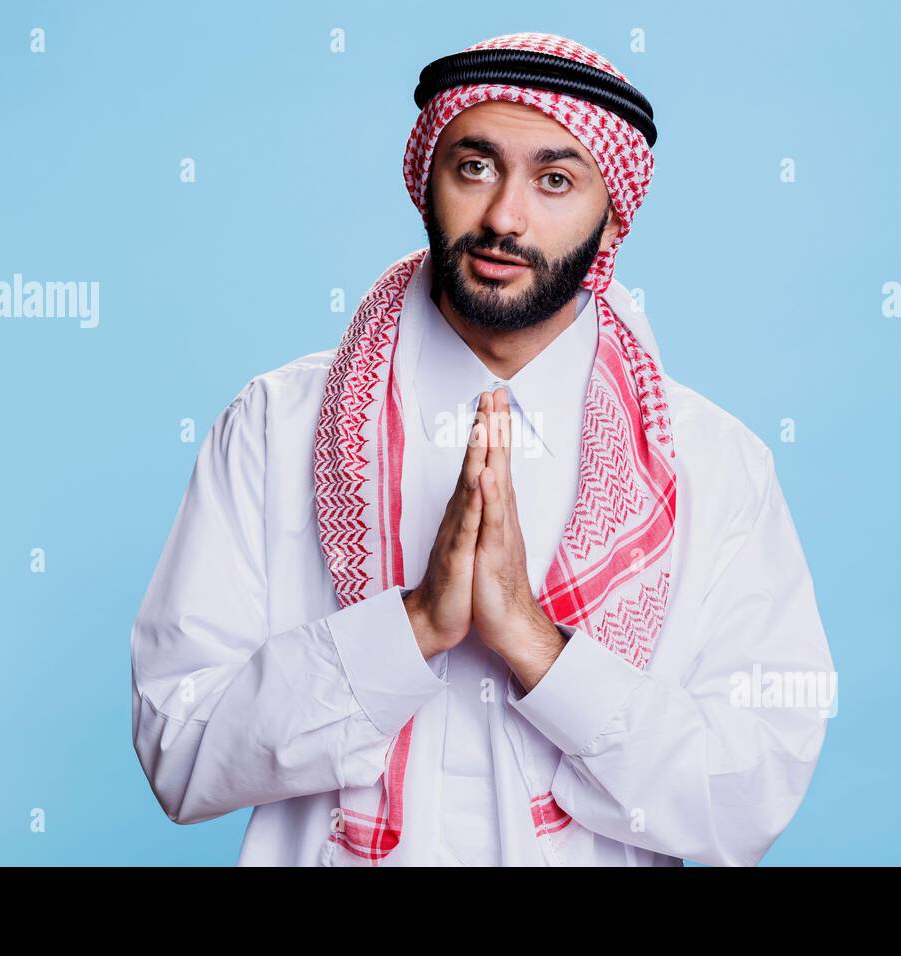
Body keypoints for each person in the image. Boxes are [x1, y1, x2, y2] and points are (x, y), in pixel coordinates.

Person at [129, 31, 835, 867]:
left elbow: (747, 800)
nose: (505, 216)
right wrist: (415, 627)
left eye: (556, 179)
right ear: (424, 180)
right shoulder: (276, 427)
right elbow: (181, 752)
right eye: (475, 167)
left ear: (613, 218)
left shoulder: (714, 468)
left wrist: (536, 646)